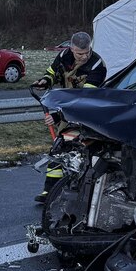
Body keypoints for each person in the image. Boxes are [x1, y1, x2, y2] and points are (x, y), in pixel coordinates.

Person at [31, 31, 107, 203]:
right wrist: (45, 81)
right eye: (80, 53)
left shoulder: (97, 66)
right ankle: (50, 191)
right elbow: (52, 72)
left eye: (87, 51)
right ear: (72, 49)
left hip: (90, 116)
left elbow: (83, 100)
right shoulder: (64, 56)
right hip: (68, 111)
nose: (84, 56)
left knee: (85, 152)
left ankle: (87, 192)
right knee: (59, 150)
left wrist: (58, 116)